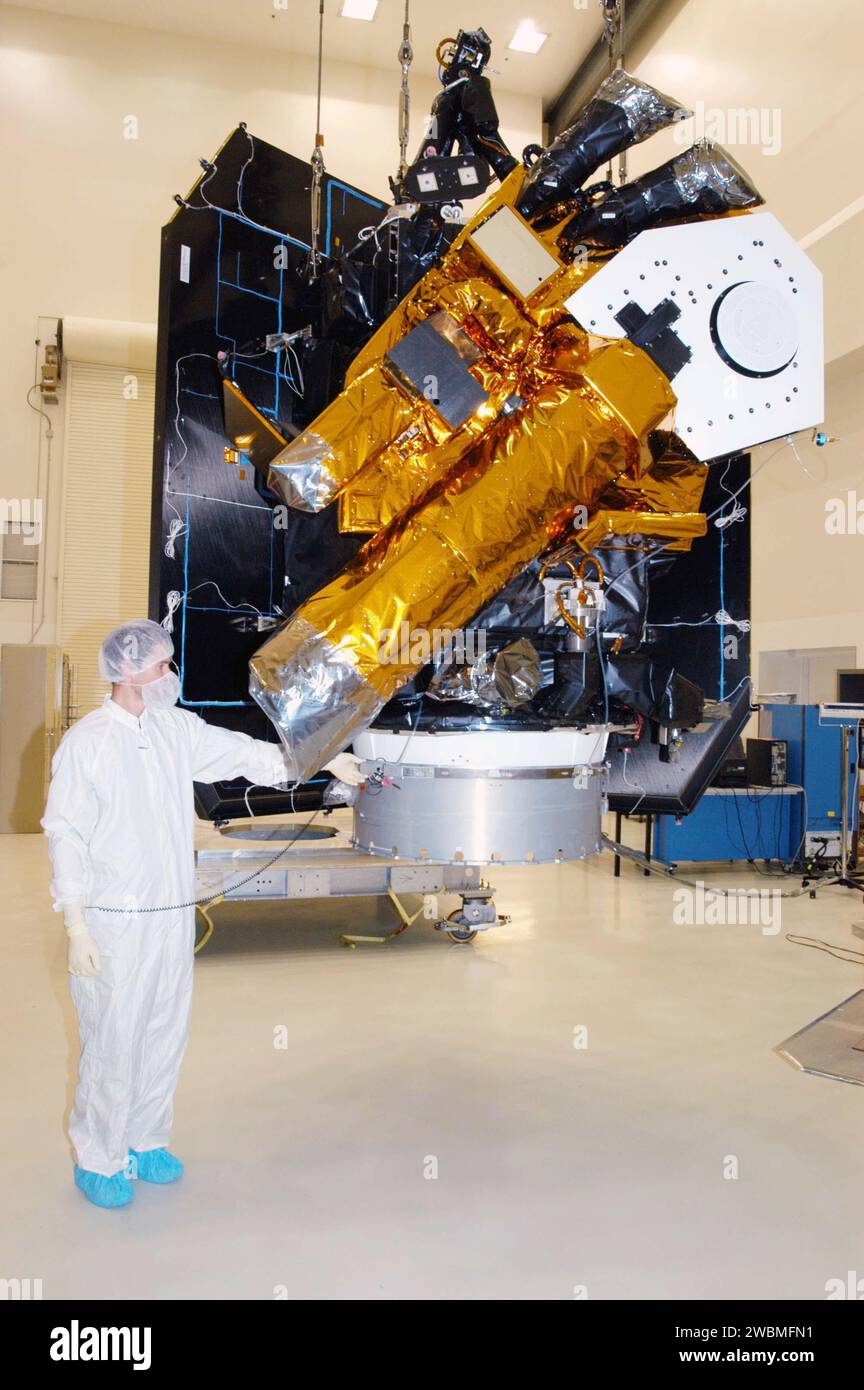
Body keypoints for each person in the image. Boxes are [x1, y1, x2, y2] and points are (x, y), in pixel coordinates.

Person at [42, 619, 362, 1209]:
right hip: (114, 918)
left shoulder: (174, 729)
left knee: (165, 1029)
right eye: (163, 667)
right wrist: (76, 923)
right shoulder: (87, 743)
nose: (172, 675)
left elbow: (245, 755)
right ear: (130, 672)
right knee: (114, 1039)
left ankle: (145, 1140)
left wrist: (322, 761)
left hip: (169, 910)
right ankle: (99, 1157)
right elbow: (64, 834)